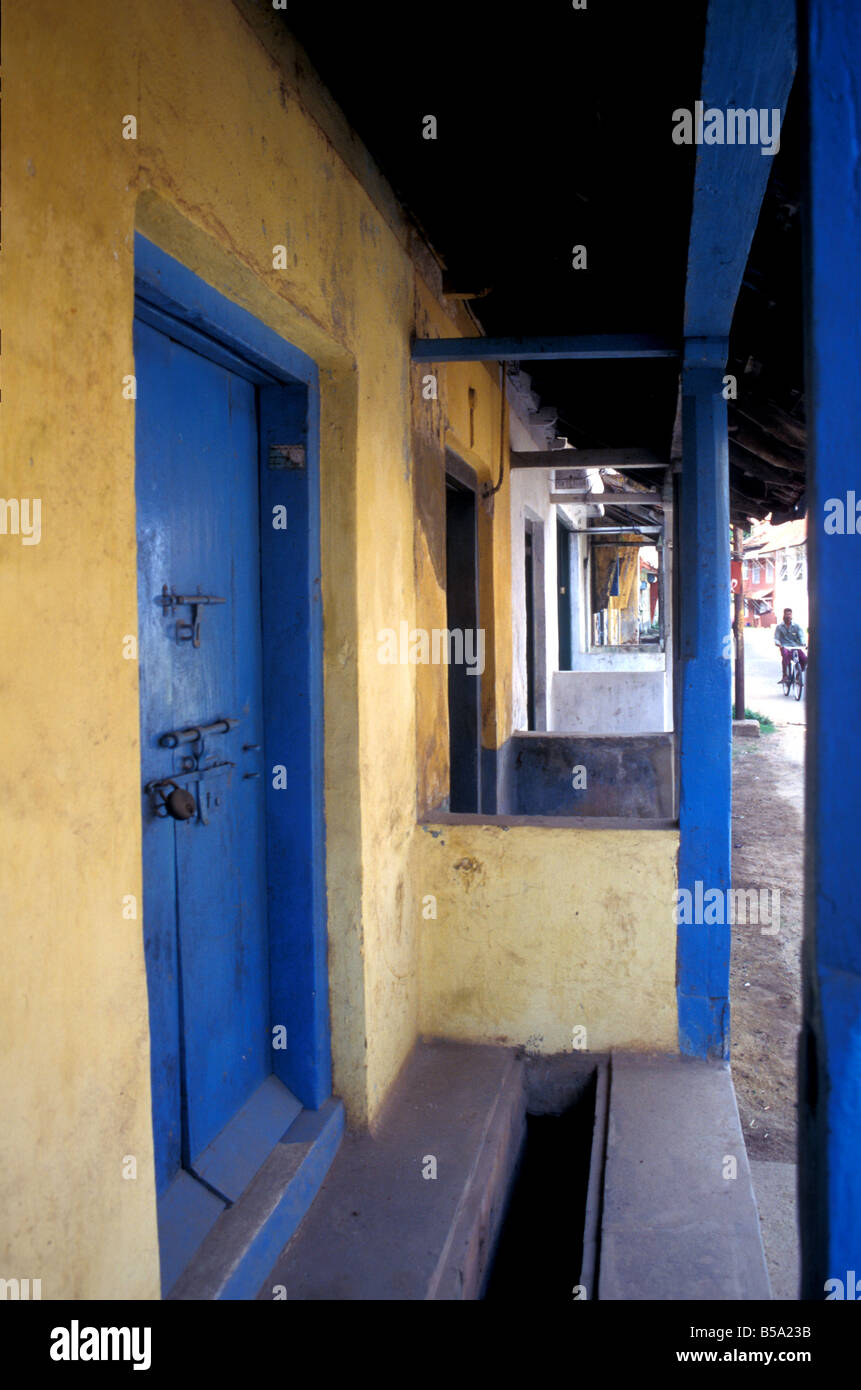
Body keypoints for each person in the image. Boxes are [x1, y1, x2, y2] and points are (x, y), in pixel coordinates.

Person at [774, 607, 808, 681]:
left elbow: (801, 635)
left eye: (789, 614)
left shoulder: (796, 626)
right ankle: (785, 675)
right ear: (784, 615)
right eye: (786, 614)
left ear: (792, 615)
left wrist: (803, 643)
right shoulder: (779, 627)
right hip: (785, 647)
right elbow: (776, 638)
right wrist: (778, 643)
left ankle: (798, 674)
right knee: (785, 655)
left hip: (795, 647)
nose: (788, 616)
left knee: (805, 659)